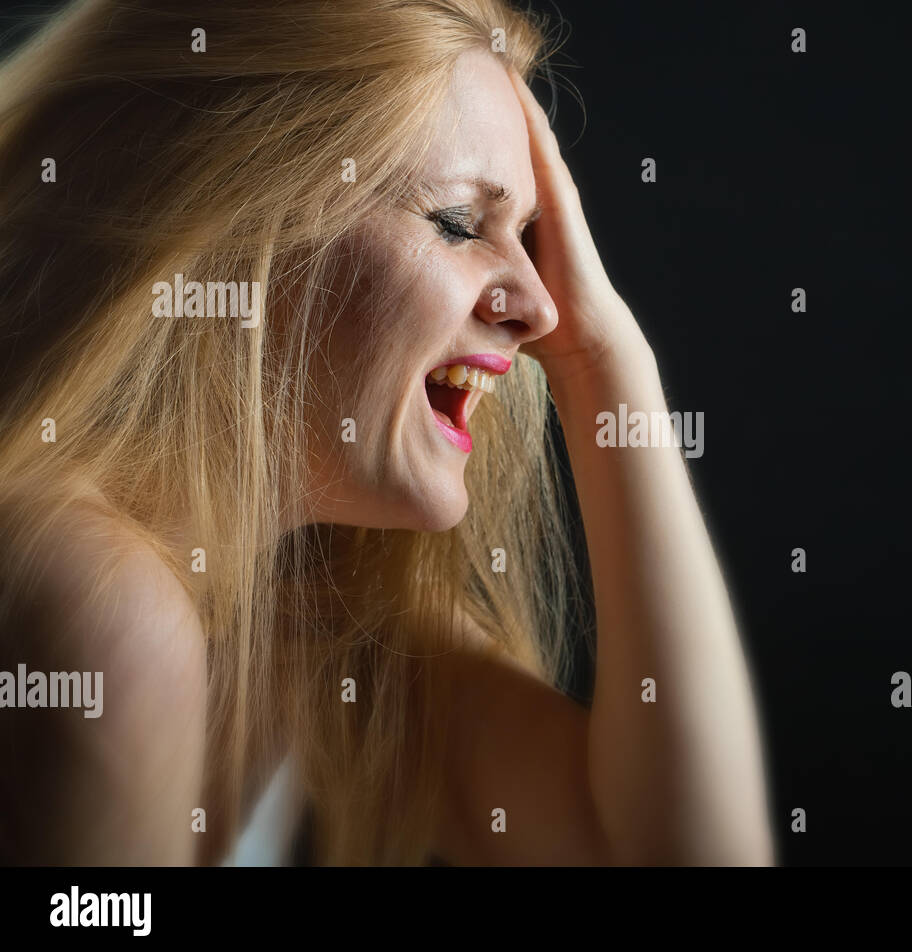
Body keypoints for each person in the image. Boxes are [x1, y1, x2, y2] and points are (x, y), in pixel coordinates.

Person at [0, 0, 773, 865]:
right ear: (237, 218)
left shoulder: (314, 620)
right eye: (455, 223)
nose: (544, 308)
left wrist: (603, 362)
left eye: (527, 236)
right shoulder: (91, 601)